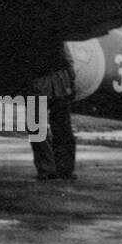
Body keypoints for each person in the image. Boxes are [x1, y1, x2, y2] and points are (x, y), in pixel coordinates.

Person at [30, 43, 77, 181]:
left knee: (57, 127)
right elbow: (68, 60)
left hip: (51, 83)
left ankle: (56, 169)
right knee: (42, 127)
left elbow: (68, 60)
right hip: (48, 83)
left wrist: (71, 83)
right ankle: (56, 169)